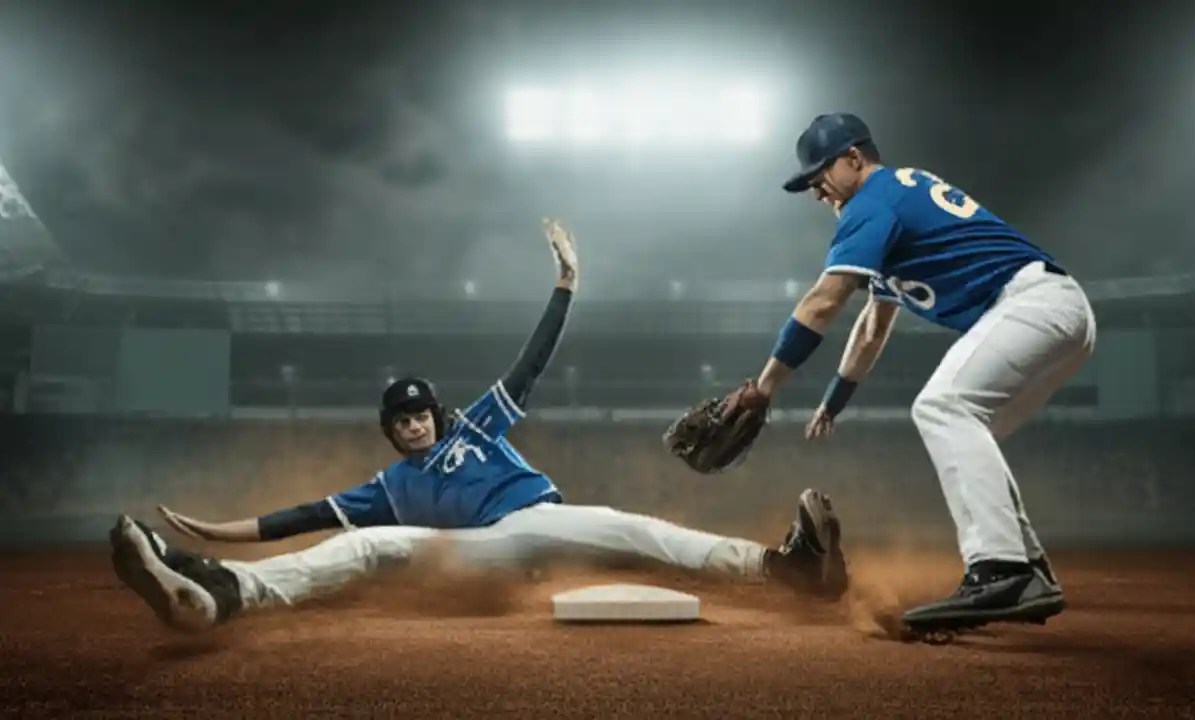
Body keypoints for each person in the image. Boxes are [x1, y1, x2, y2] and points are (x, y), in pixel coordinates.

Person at [108, 219, 850, 632]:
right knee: (361, 543)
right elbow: (295, 516)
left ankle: (786, 569)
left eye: (420, 413)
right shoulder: (392, 486)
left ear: (438, 413)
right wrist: (214, 531)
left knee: (641, 531)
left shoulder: (477, 428)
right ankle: (217, 591)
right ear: (392, 432)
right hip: (470, 555)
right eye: (399, 421)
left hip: (541, 525)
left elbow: (528, 365)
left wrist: (565, 287)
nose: (412, 427)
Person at [725, 113, 1095, 631]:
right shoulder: (894, 202)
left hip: (1033, 304)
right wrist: (833, 402)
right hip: (1056, 311)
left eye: (819, 175)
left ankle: (999, 569)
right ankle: (1028, 570)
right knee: (969, 425)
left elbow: (822, 302)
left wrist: (762, 389)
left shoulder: (871, 201)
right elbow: (871, 331)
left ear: (854, 159)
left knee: (943, 406)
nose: (816, 192)